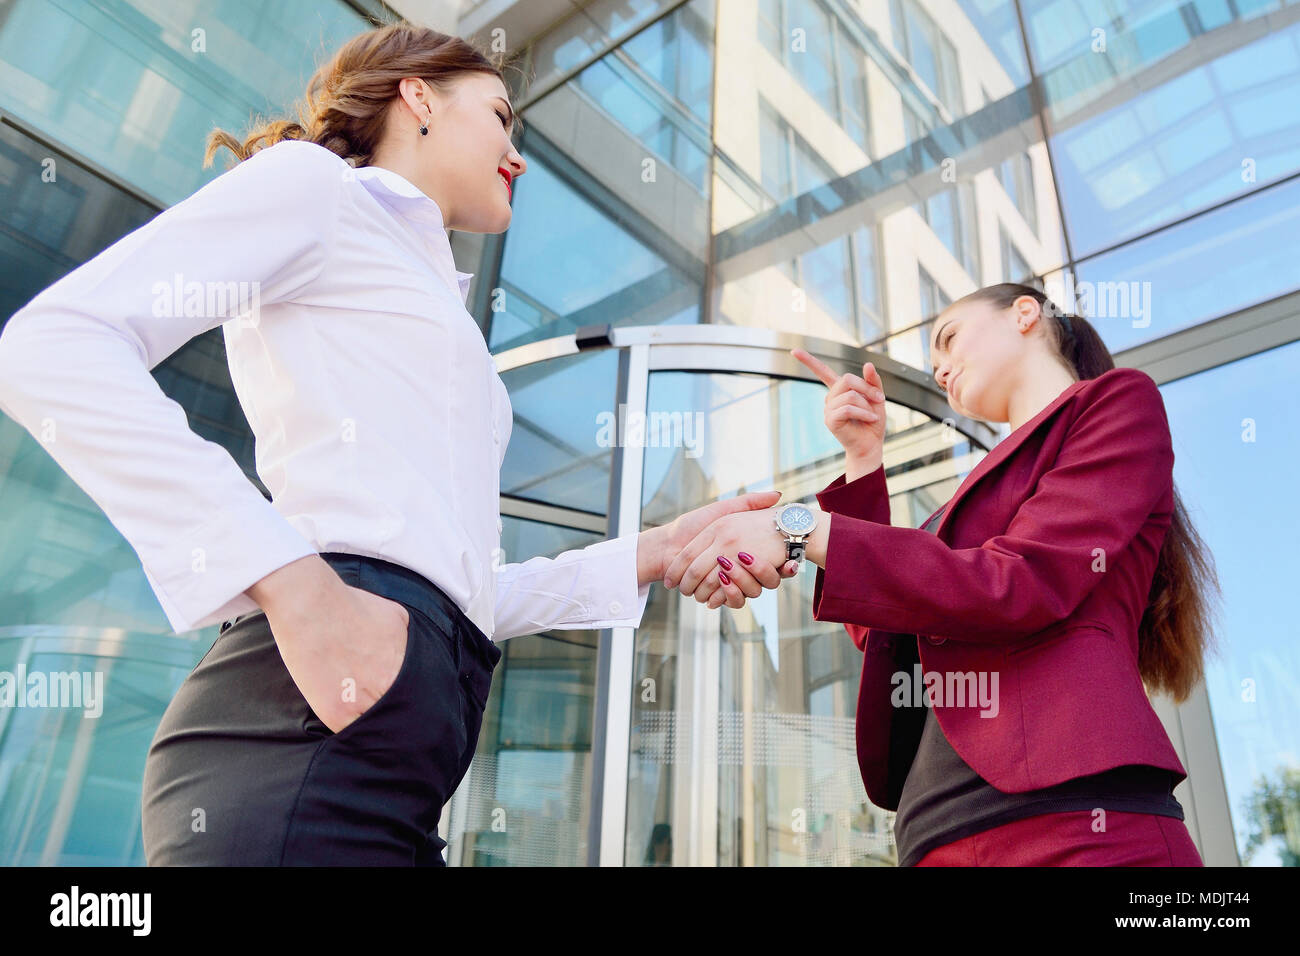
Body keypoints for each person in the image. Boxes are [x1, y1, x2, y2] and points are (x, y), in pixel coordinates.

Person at [0, 23, 790, 866]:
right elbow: (52, 348)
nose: (516, 153)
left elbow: (455, 584)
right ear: (418, 96)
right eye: (499, 115)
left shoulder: (424, 292)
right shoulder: (320, 190)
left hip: (398, 760)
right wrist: (295, 585)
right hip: (300, 750)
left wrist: (656, 551)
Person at [663, 283, 1221, 866]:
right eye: (934, 365)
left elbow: (1020, 582)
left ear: (1026, 314)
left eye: (949, 340)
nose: (942, 369)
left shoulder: (1116, 403)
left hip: (1078, 823)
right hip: (935, 833)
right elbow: (882, 633)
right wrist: (862, 460)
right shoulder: (955, 508)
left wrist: (799, 528)